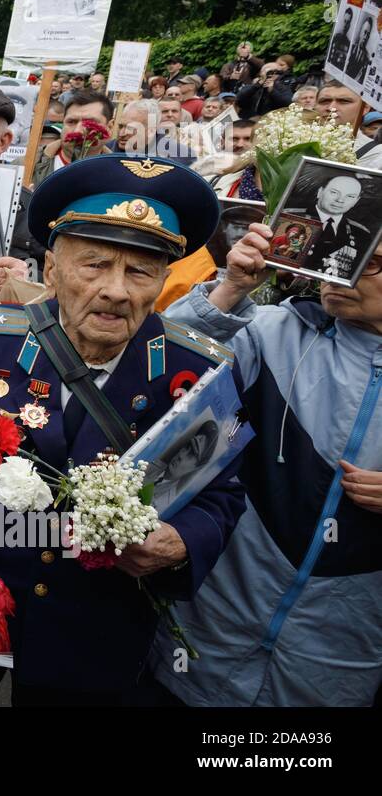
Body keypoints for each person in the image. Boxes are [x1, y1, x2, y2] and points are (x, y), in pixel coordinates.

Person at [0, 153, 246, 706]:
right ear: (52, 270)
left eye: (140, 271)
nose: (116, 290)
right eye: (94, 265)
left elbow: (221, 495)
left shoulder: (195, 371)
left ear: (164, 280)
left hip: (95, 624)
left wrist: (182, 542)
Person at [145, 227, 382, 705]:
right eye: (336, 253)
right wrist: (229, 289)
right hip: (202, 641)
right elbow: (157, 370)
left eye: (369, 261)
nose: (338, 270)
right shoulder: (274, 331)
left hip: (332, 668)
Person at [282, 173, 371, 277]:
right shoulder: (288, 218)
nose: (340, 200)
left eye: (350, 196)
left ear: (356, 201)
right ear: (320, 192)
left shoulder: (361, 233)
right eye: (334, 192)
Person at [28, 89, 115, 185]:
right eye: (71, 122)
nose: (78, 130)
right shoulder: (27, 164)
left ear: (109, 127)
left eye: (91, 123)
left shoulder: (122, 175)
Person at [345, 17, 373, 84]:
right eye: (365, 32)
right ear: (360, 31)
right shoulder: (350, 47)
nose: (365, 36)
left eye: (368, 34)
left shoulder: (367, 59)